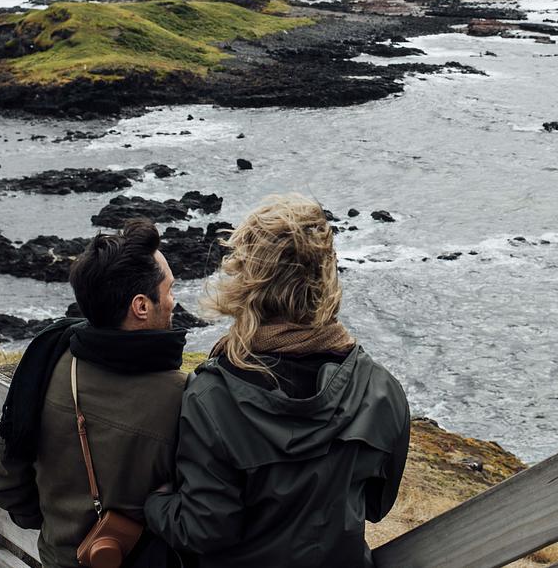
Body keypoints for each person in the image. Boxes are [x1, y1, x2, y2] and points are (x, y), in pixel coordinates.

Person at [145, 195, 411, 568]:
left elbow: (204, 530)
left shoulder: (211, 396)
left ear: (247, 280)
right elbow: (375, 506)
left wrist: (156, 504)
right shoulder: (381, 389)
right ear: (326, 275)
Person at [0, 219, 188, 568]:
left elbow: (2, 479)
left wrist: (60, 528)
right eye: (169, 289)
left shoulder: (48, 362)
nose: (173, 300)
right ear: (141, 306)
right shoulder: (182, 396)